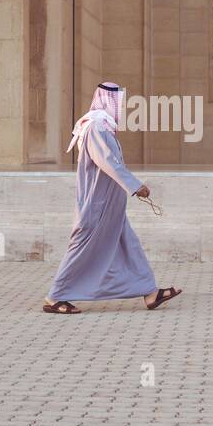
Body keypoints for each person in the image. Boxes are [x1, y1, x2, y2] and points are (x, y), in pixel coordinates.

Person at [43, 83, 181, 315]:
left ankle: (150, 292)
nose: (122, 107)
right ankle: (55, 297)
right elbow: (108, 162)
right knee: (81, 248)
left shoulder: (102, 125)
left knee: (130, 246)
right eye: (119, 101)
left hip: (110, 205)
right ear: (108, 100)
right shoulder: (96, 126)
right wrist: (136, 186)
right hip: (96, 204)